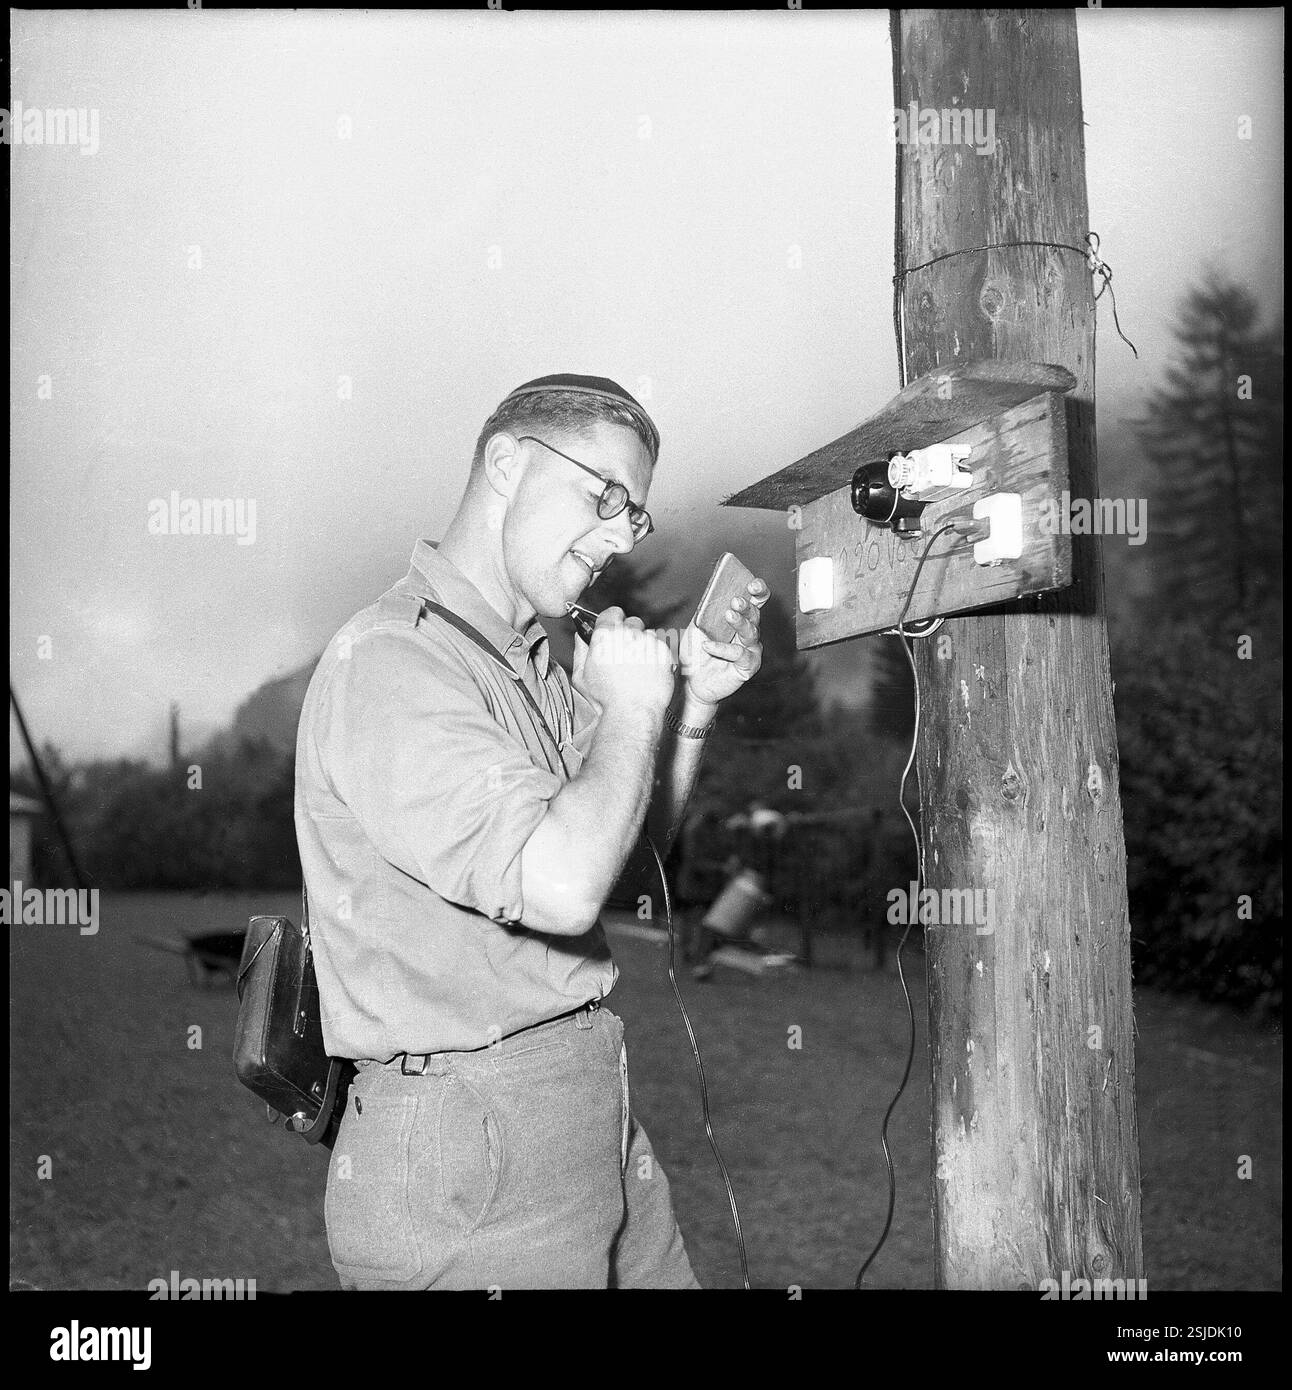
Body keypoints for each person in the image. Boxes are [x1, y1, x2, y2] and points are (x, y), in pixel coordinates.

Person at [294, 373, 767, 1289]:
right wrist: (631, 709)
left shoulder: (530, 669)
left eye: (635, 519)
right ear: (508, 461)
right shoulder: (392, 661)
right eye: (605, 497)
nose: (616, 539)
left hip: (586, 1103)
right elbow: (560, 887)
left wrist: (691, 709)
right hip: (467, 1147)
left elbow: (624, 865)